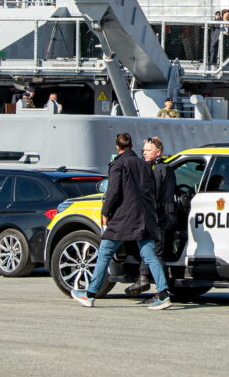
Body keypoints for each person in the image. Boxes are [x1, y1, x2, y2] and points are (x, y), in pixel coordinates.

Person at [72, 132, 171, 310]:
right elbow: (150, 191)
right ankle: (163, 294)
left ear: (118, 147)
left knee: (105, 253)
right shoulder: (144, 165)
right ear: (131, 146)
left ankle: (90, 294)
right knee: (149, 255)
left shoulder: (118, 164)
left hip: (124, 217)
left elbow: (113, 192)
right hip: (144, 216)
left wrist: (106, 212)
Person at [126, 137, 178, 297]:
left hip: (159, 216)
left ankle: (162, 290)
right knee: (148, 249)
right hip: (153, 215)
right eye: (144, 150)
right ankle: (143, 278)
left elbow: (151, 194)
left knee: (156, 252)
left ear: (158, 152)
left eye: (148, 150)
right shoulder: (152, 168)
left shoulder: (161, 169)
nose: (144, 153)